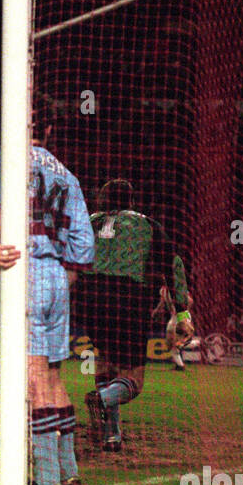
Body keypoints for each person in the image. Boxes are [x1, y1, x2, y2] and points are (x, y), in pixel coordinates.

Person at [0, 124, 94, 485]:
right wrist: (60, 280)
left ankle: (45, 478)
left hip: (23, 268)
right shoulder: (67, 175)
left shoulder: (4, 153)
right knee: (53, 377)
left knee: (33, 379)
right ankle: (69, 471)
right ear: (48, 128)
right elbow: (83, 242)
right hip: (58, 276)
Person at [77, 179, 161, 452]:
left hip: (90, 299)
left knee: (106, 362)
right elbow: (172, 263)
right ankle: (102, 398)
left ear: (102, 200)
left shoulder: (89, 222)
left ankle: (111, 434)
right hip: (129, 300)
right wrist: (181, 308)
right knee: (134, 380)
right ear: (131, 202)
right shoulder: (146, 224)